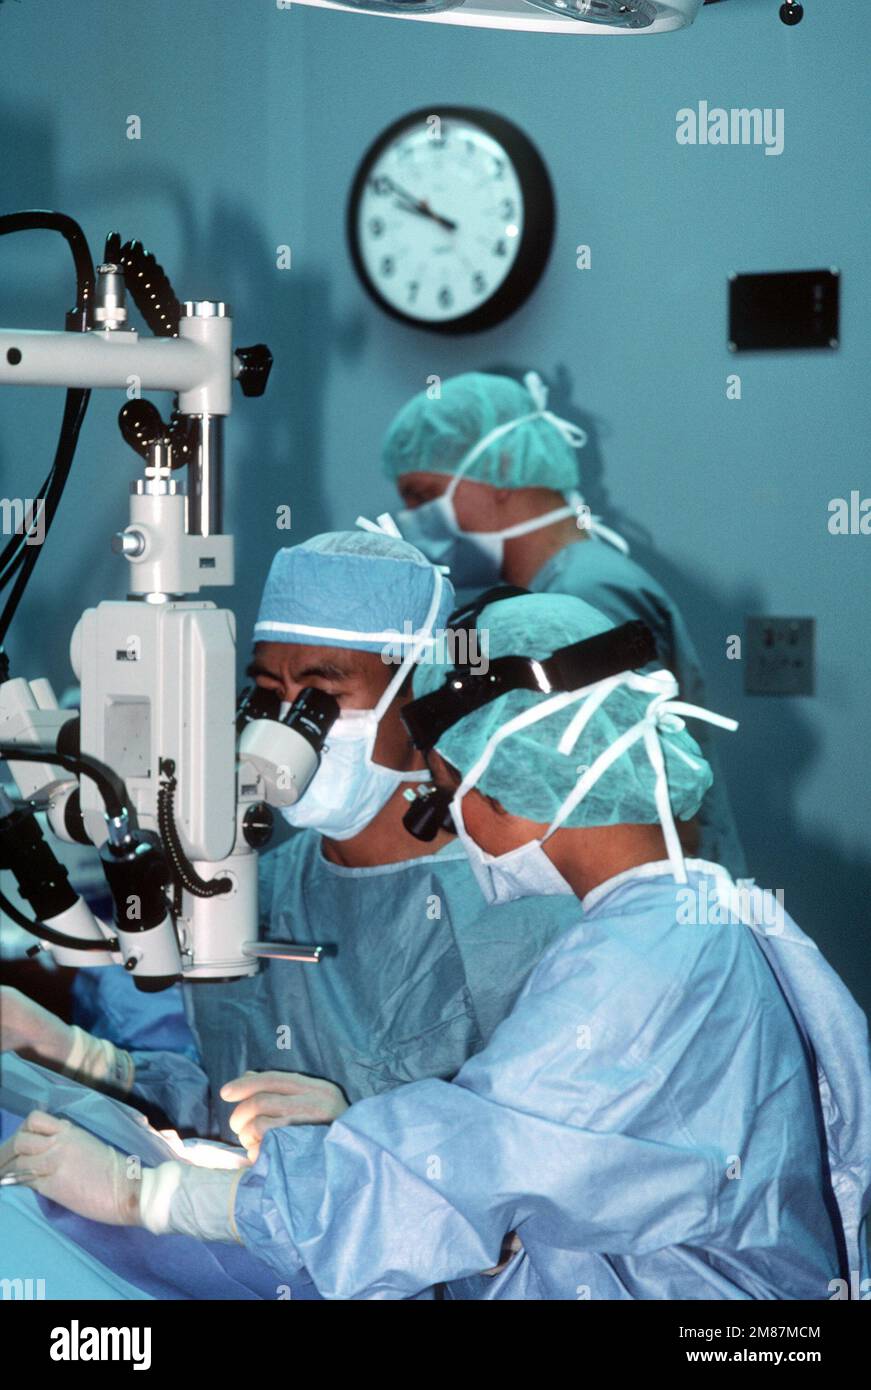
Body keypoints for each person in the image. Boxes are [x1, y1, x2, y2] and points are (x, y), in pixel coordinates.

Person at [5, 593, 868, 1301]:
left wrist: (146, 1197)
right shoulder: (684, 916)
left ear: (508, 779)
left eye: (446, 797)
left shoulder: (636, 965)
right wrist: (360, 1131)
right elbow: (540, 1158)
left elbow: (462, 1173)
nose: (449, 823)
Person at [1, 532, 580, 1154]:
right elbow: (228, 1108)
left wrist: (368, 1150)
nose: (282, 729)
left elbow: (546, 1185)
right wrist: (82, 1059)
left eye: (322, 700)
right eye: (270, 696)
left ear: (425, 703)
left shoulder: (518, 920)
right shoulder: (249, 886)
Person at [383, 370, 745, 876]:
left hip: (648, 885)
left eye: (422, 495)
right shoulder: (537, 597)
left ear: (502, 466)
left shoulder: (588, 593)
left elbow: (594, 781)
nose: (410, 519)